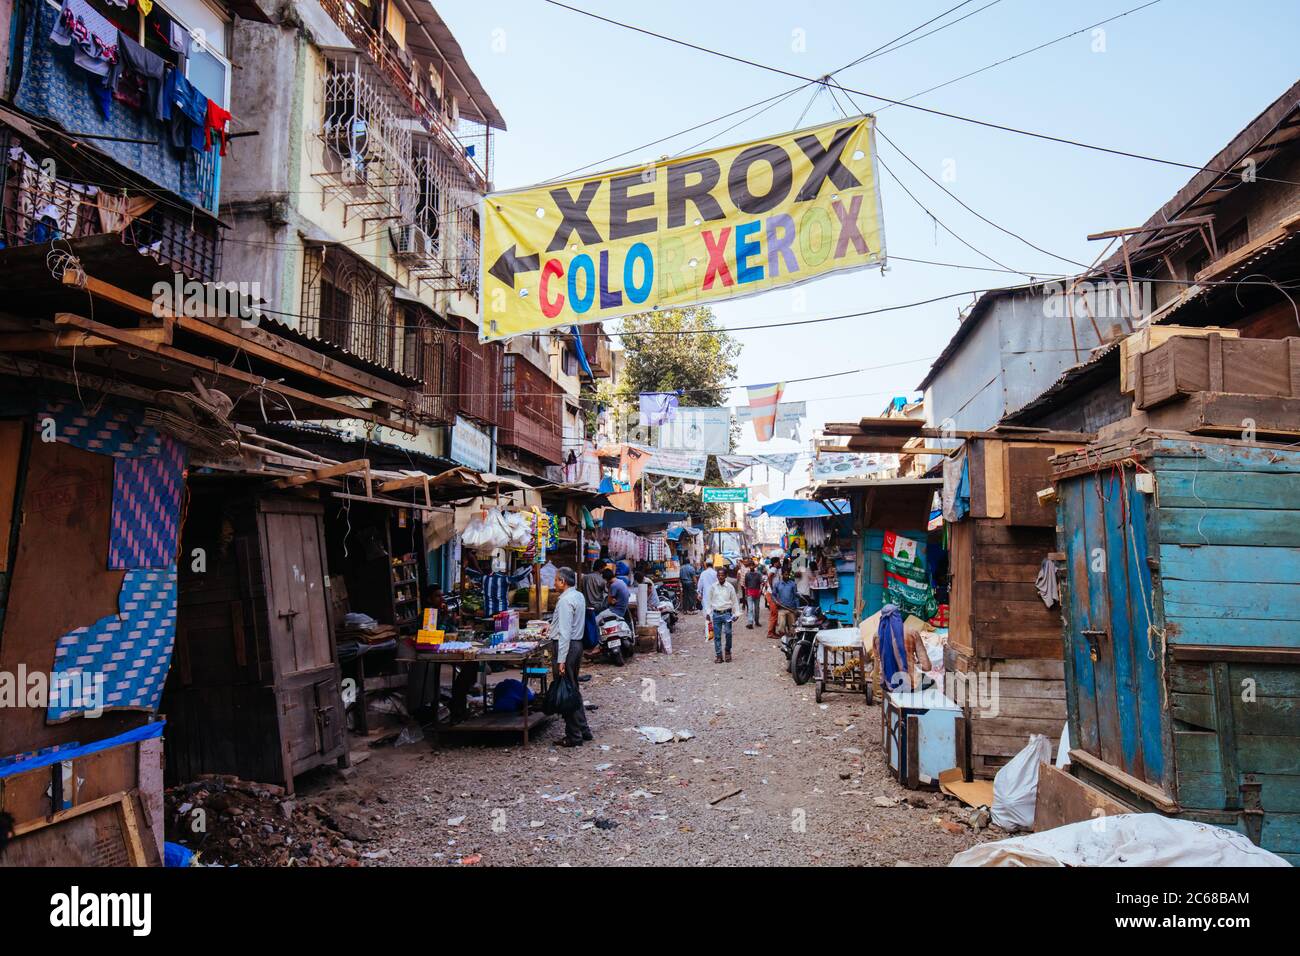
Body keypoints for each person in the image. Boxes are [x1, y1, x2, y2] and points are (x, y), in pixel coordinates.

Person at [551, 567, 592, 747]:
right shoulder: (578, 596)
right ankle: (583, 729)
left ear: (563, 581)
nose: (554, 583)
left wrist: (561, 659)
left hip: (567, 647)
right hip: (577, 645)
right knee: (572, 687)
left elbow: (565, 633)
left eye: (556, 580)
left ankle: (573, 735)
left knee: (566, 691)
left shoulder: (565, 601)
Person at [707, 566, 742, 663]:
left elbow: (735, 601)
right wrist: (708, 613)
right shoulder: (713, 587)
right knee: (717, 636)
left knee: (728, 633)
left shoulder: (730, 587)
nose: (720, 577)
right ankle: (719, 656)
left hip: (727, 614)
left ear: (726, 576)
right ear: (717, 576)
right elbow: (709, 601)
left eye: (722, 575)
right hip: (716, 614)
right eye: (719, 575)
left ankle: (727, 652)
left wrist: (736, 613)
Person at [772, 570, 800, 637]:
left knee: (792, 627)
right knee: (781, 625)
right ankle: (783, 638)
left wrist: (797, 608)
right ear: (782, 575)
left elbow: (796, 596)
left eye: (788, 575)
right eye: (785, 574)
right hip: (782, 608)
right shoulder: (777, 584)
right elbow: (773, 595)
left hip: (791, 608)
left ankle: (791, 640)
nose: (787, 576)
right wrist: (776, 601)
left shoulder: (793, 584)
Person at [743, 561, 764, 629]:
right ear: (749, 566)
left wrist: (761, 590)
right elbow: (745, 584)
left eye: (753, 565)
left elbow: (761, 583)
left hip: (757, 593)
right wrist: (746, 592)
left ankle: (757, 621)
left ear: (754, 566)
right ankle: (750, 622)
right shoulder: (747, 574)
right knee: (750, 609)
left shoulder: (758, 574)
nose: (751, 567)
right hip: (750, 593)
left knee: (757, 609)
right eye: (750, 565)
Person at [697, 560, 718, 627]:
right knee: (714, 609)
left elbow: (700, 585)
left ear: (706, 565)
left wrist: (699, 592)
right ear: (712, 565)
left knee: (707, 610)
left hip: (706, 595)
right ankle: (714, 624)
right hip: (714, 594)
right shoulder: (715, 573)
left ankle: (708, 626)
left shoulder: (703, 573)